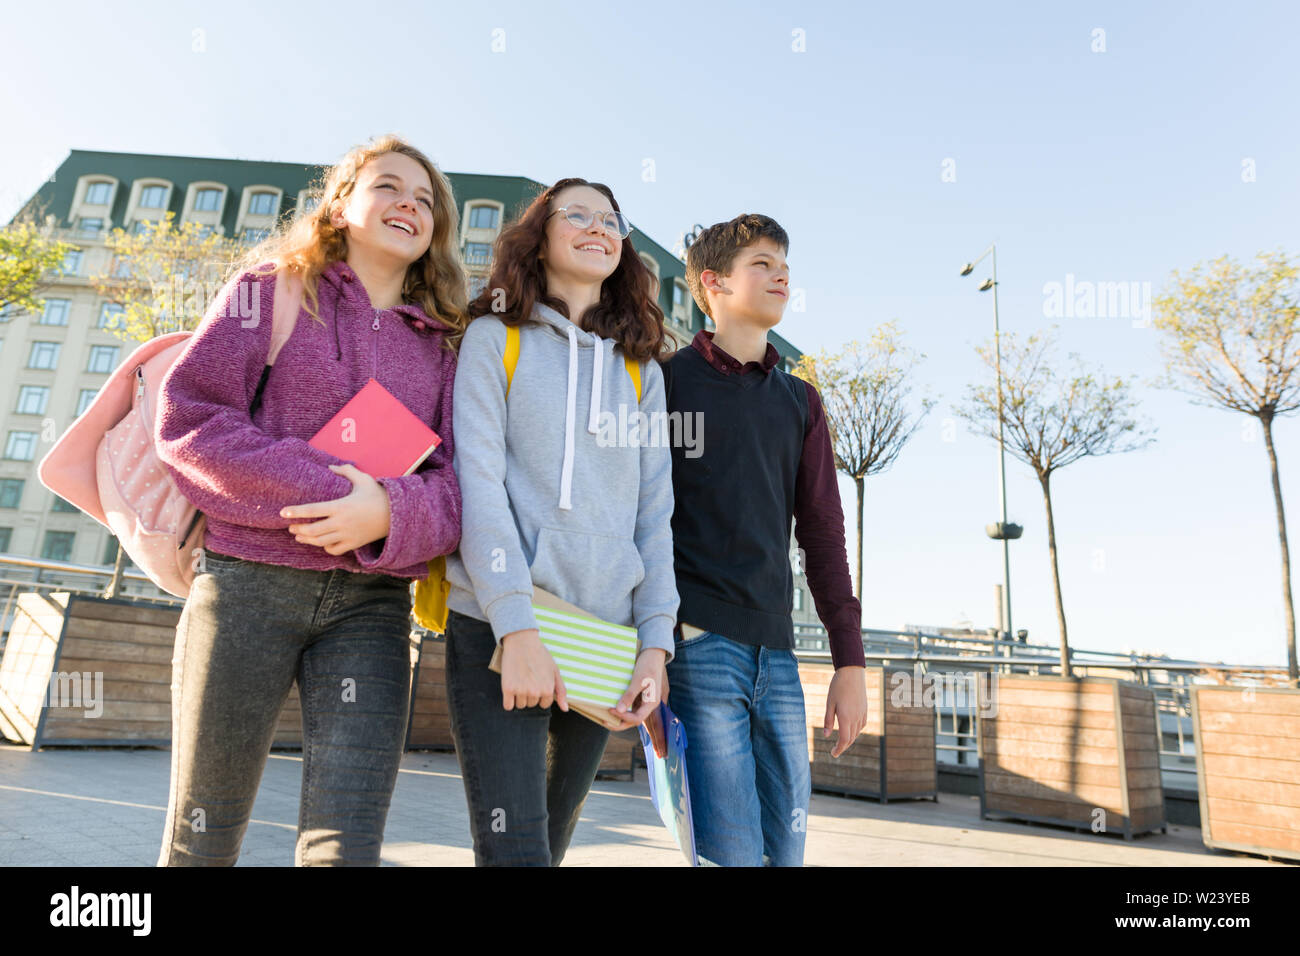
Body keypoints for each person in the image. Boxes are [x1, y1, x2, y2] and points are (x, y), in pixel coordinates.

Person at [153, 135, 467, 865]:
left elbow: (461, 487)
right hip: (245, 588)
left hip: (372, 610)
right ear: (338, 202)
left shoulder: (449, 348)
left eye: (425, 200)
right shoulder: (267, 290)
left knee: (346, 847)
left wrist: (390, 513)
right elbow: (193, 420)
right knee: (203, 835)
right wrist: (336, 494)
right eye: (388, 186)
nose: (408, 205)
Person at [443, 178, 679, 866]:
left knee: (548, 844)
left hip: (603, 639)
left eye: (611, 219)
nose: (599, 227)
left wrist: (654, 648)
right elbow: (477, 487)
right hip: (499, 624)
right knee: (515, 848)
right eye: (577, 214)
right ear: (540, 235)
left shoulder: (642, 373)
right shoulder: (495, 339)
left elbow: (655, 518)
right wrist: (516, 626)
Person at [660, 213, 868, 866]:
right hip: (695, 647)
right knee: (731, 857)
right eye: (762, 264)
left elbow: (824, 537)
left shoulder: (801, 402)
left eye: (785, 265)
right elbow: (638, 524)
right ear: (714, 283)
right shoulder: (664, 384)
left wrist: (850, 663)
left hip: (778, 657)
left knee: (786, 854)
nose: (781, 275)